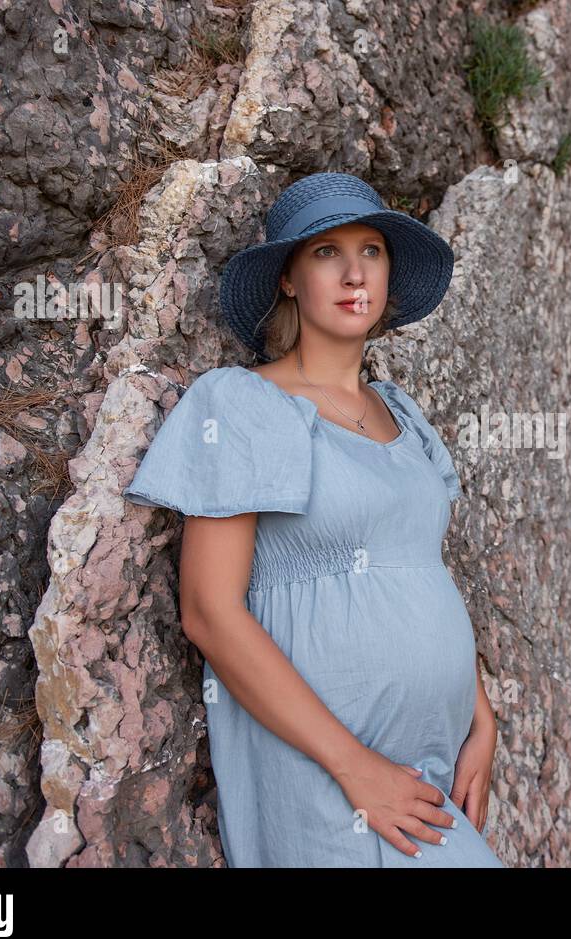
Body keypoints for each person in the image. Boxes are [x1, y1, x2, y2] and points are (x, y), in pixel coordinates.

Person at [122, 172, 504, 867]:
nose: (355, 273)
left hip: (428, 760)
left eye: (371, 251)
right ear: (289, 279)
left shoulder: (401, 413)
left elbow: (421, 564)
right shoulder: (244, 404)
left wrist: (481, 715)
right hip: (327, 771)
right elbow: (208, 611)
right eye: (327, 252)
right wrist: (356, 768)